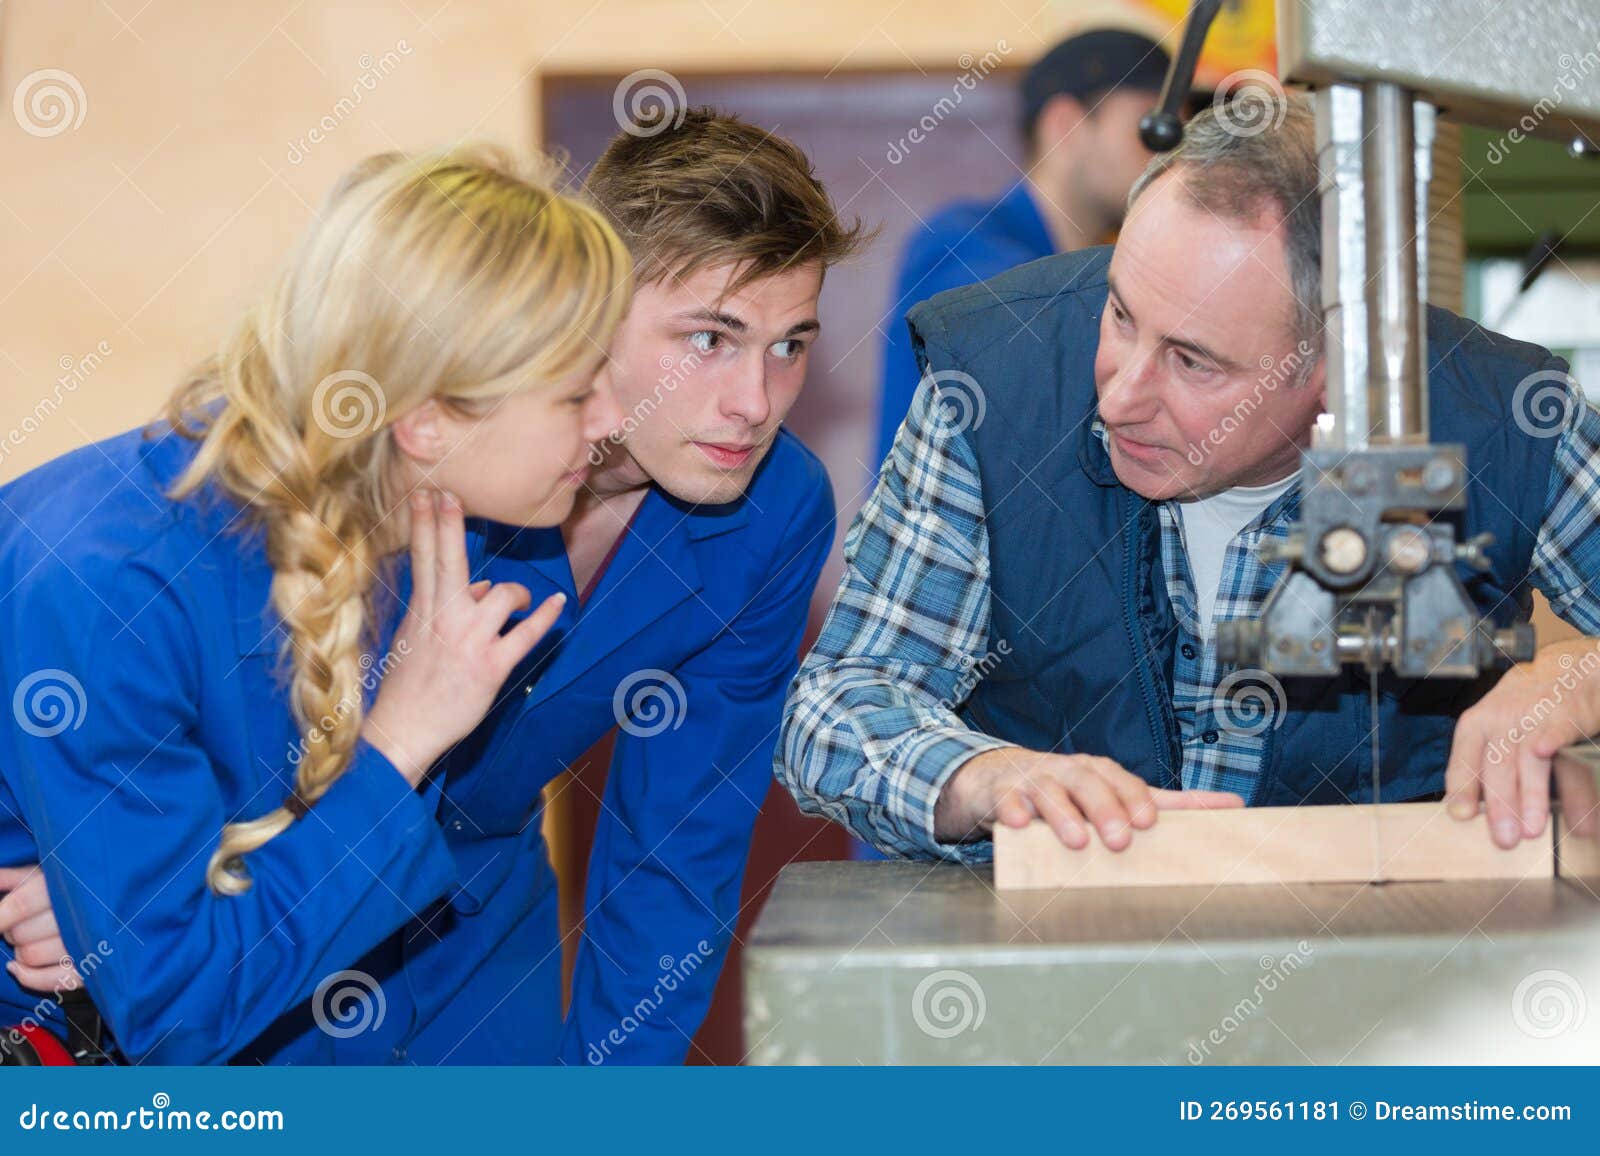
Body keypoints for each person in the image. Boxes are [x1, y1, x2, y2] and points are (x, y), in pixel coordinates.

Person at [4, 108, 867, 1065]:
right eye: (709, 338)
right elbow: (207, 914)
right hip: (273, 899)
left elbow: (681, 847)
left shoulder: (747, 506)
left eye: (791, 346)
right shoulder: (388, 485)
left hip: (453, 896)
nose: (754, 403)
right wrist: (153, 892)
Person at [778, 99, 1600, 862]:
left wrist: (1576, 678)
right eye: (1121, 314)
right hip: (1052, 974)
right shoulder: (993, 387)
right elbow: (835, 707)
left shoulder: (1505, 418)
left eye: (1192, 361)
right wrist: (982, 779)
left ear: (1333, 375)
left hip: (1384, 977)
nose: (1119, 395)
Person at [0, 145, 629, 1062]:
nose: (614, 419)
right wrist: (401, 744)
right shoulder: (108, 582)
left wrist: (153, 905)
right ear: (424, 421)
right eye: (577, 393)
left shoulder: (479, 529)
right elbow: (180, 1015)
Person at [874, 27, 1171, 468]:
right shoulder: (957, 243)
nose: (1167, 154)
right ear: (1065, 125)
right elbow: (1043, 321)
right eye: (1150, 126)